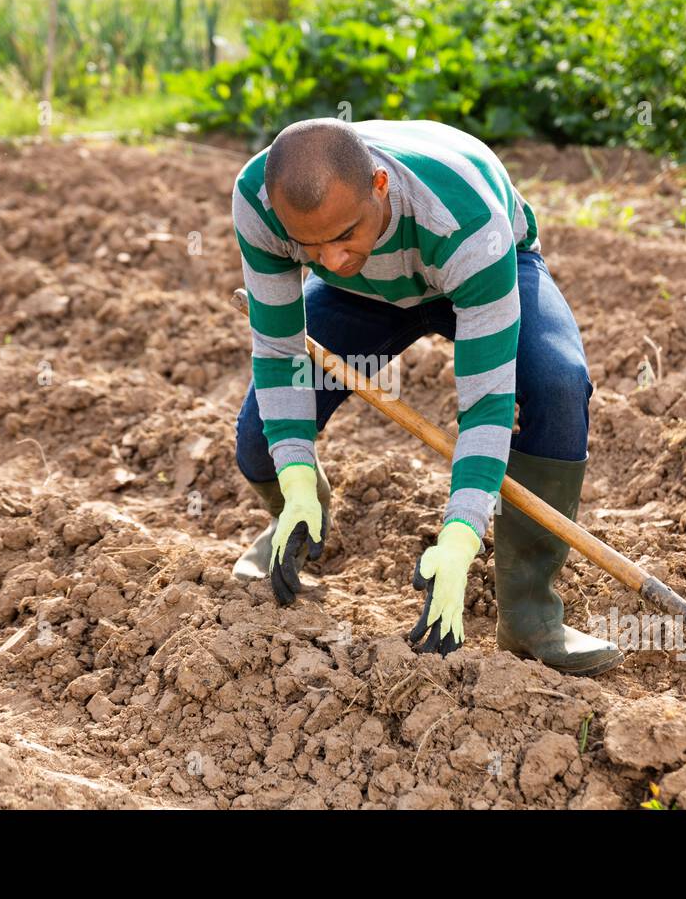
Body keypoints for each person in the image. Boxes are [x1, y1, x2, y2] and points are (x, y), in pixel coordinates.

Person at [230, 117, 622, 676]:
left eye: (345, 235)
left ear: (380, 188)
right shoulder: (261, 200)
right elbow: (279, 350)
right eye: (307, 246)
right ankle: (298, 514)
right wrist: (293, 473)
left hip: (478, 265)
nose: (329, 258)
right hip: (361, 296)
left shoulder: (463, 217)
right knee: (261, 442)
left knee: (558, 385)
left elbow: (486, 405)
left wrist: (461, 536)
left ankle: (530, 614)